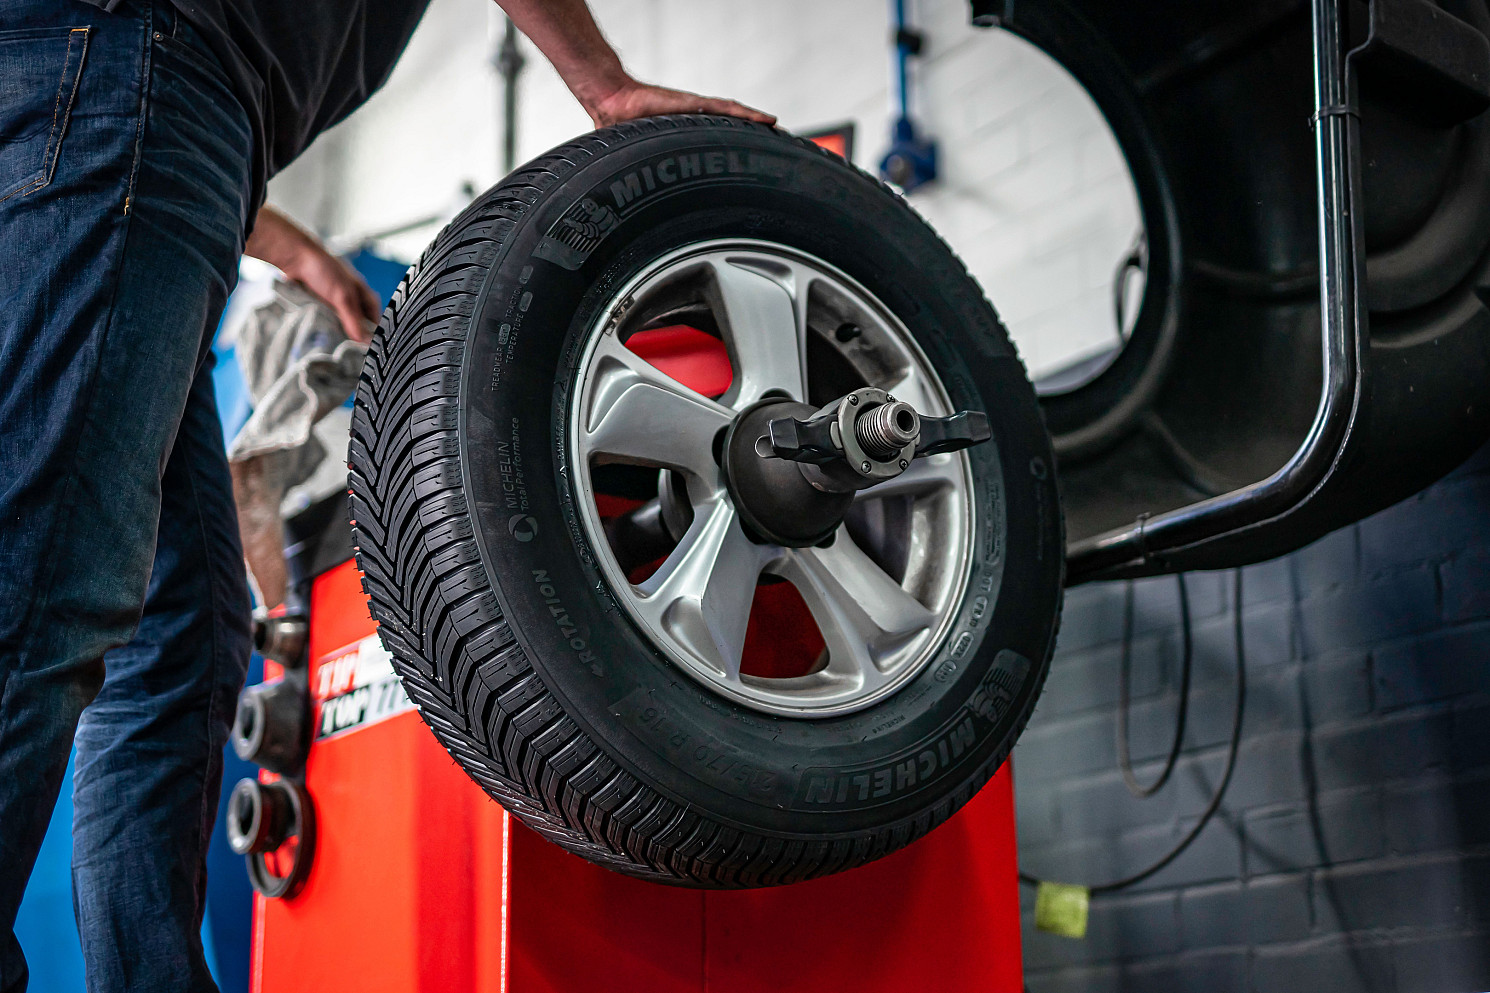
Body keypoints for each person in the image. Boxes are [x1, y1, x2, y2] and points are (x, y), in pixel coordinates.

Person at [0, 1, 772, 990]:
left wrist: (296, 250)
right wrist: (602, 83)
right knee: (48, 567)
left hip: (159, 109)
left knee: (178, 649)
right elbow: (113, 80)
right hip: (140, 68)